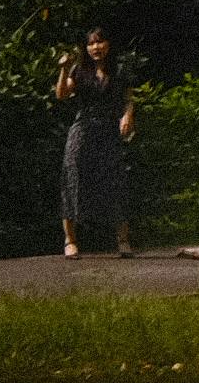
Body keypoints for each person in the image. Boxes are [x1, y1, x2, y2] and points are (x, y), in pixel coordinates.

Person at [50, 28, 140, 258]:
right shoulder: (79, 70)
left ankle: (123, 240)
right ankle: (70, 240)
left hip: (108, 128)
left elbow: (128, 99)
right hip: (83, 127)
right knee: (72, 174)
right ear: (86, 48)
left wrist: (127, 115)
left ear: (108, 45)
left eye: (100, 43)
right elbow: (61, 95)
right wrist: (62, 68)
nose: (96, 48)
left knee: (115, 178)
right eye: (91, 44)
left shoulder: (118, 70)